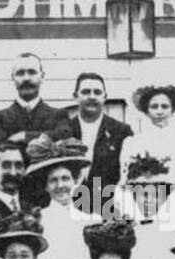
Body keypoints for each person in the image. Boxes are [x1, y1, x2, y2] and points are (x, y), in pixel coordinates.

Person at [53, 72, 133, 216]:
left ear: (105, 97)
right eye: (85, 92)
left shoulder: (120, 131)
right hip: (68, 207)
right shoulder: (62, 132)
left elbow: (127, 175)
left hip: (108, 208)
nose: (92, 96)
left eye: (97, 92)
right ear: (75, 96)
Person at [19, 135, 97, 259]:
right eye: (53, 181)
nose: (60, 186)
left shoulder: (90, 220)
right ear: (46, 186)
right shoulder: (38, 220)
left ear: (76, 181)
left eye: (65, 179)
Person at [114, 154, 175, 259]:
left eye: (156, 194)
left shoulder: (172, 231)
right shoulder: (123, 230)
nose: (149, 200)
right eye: (144, 194)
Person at [0, 52, 63, 155]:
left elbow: (64, 138)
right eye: (20, 73)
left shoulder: (59, 115)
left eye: (32, 72)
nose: (26, 78)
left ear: (42, 76)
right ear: (12, 78)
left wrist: (24, 136)